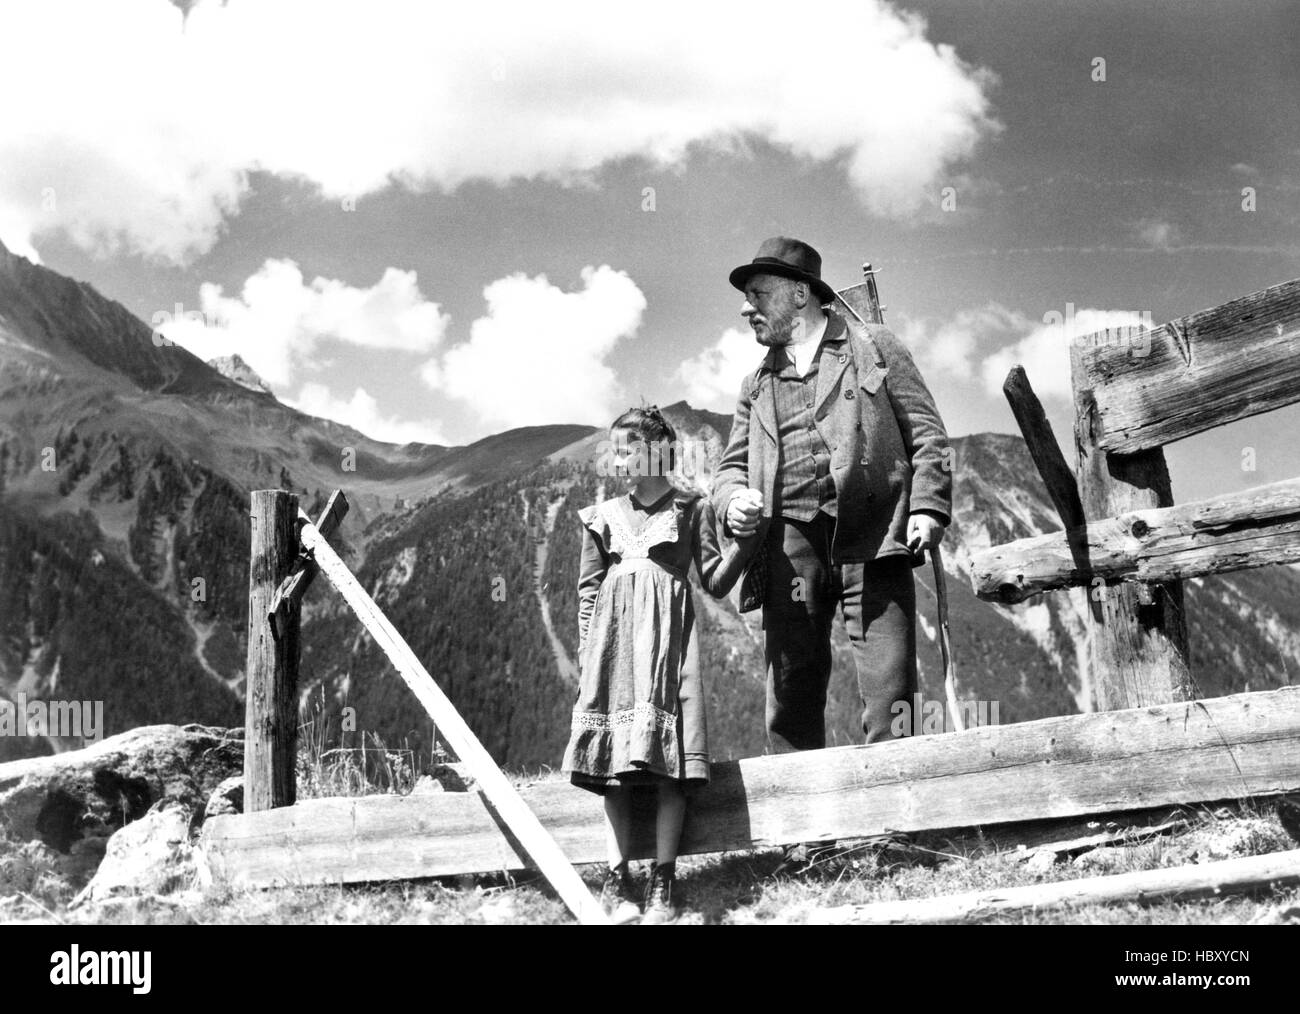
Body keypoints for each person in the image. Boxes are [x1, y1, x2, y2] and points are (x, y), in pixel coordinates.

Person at [712, 236, 953, 767]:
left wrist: (928, 506)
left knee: (891, 691)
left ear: (800, 295)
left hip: (874, 534)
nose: (745, 307)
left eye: (757, 294)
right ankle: (803, 836)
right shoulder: (756, 384)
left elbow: (928, 434)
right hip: (788, 545)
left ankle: (895, 826)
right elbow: (730, 467)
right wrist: (730, 503)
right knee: (792, 690)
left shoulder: (874, 345)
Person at [562, 405, 750, 923]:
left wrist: (747, 545)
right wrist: (588, 659)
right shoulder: (599, 518)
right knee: (614, 771)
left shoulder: (691, 508)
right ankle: (616, 873)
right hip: (614, 652)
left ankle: (664, 879)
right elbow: (587, 595)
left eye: (626, 447)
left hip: (671, 648)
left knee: (672, 769)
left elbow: (712, 579)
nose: (617, 457)